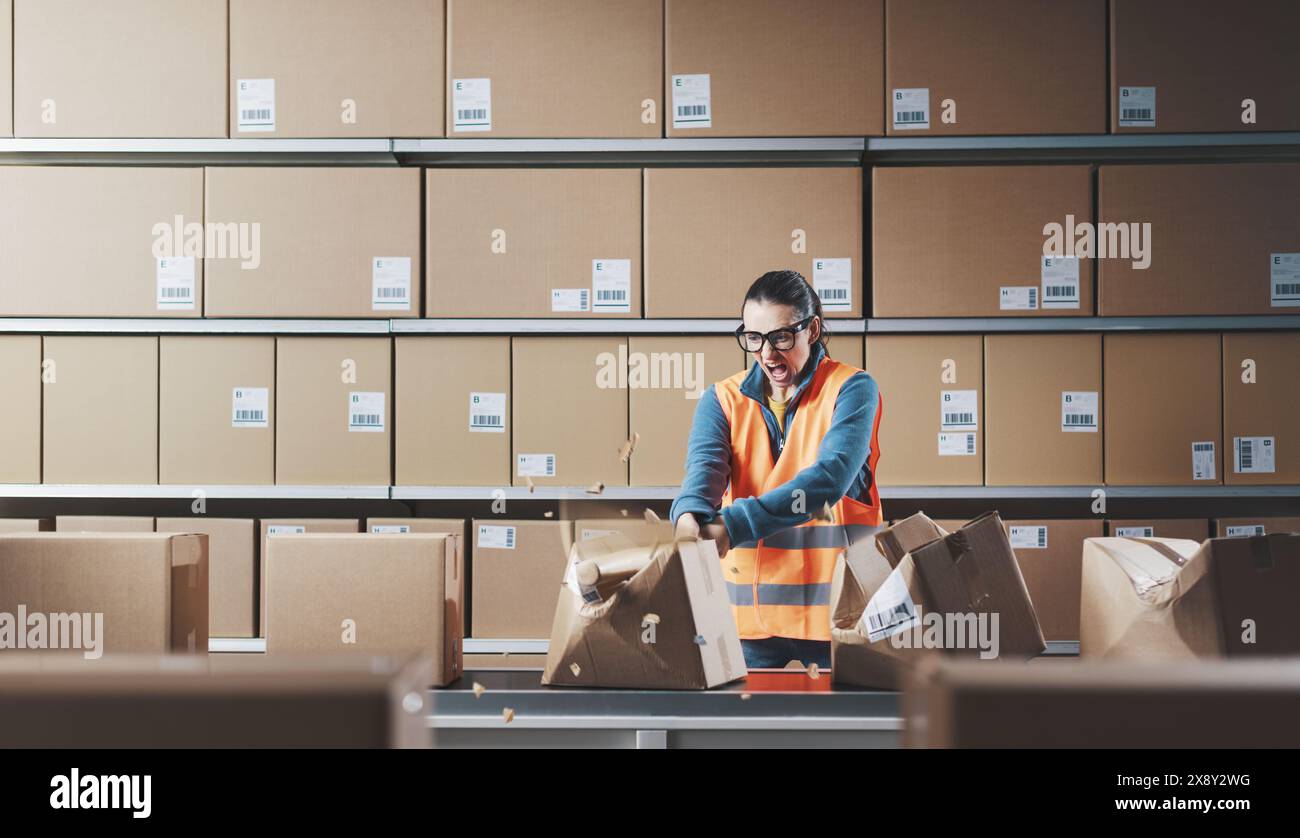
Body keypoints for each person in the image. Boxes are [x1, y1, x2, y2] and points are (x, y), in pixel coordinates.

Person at [670, 269, 883, 670]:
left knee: (848, 734)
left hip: (841, 617)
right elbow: (702, 474)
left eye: (780, 337)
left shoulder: (852, 389)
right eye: (753, 338)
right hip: (749, 622)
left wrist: (731, 526)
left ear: (813, 330)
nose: (767, 353)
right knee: (749, 733)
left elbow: (828, 480)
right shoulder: (722, 399)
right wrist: (688, 524)